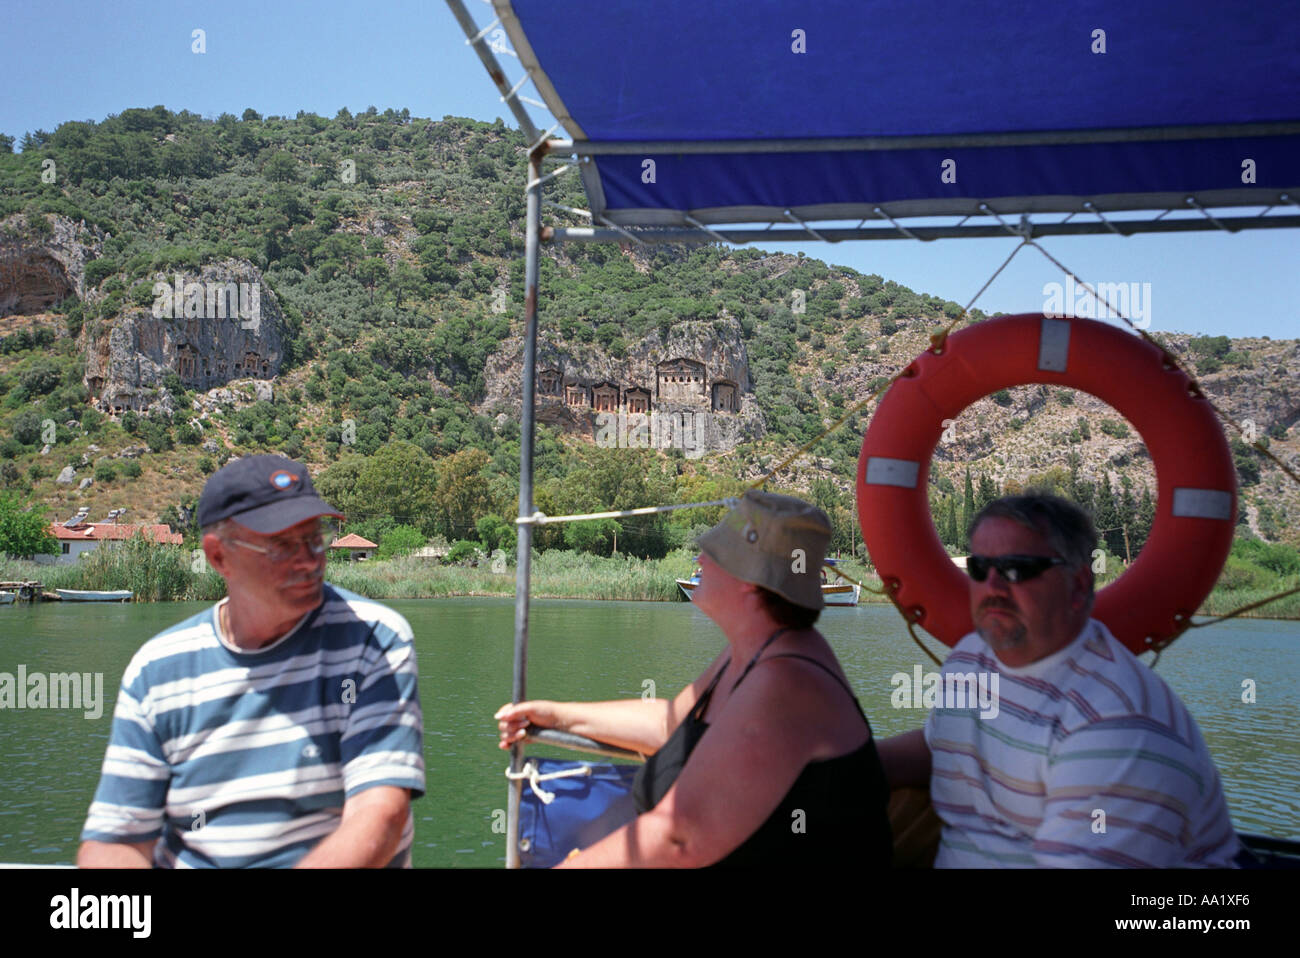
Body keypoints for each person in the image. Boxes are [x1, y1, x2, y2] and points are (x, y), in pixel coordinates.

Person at [495, 489, 893, 867]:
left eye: (716, 552)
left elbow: (678, 836)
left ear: (753, 584)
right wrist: (556, 715)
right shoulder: (754, 650)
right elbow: (671, 723)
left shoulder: (786, 683)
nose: (700, 558)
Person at [77, 455, 425, 868]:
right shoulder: (156, 671)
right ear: (218, 556)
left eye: (315, 538)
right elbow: (116, 844)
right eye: (281, 546)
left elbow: (379, 816)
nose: (310, 560)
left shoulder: (374, 640)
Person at [876, 491, 1240, 867]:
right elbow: (941, 745)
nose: (994, 588)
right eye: (980, 568)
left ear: (1079, 584)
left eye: (1018, 569)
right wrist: (842, 766)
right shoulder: (971, 658)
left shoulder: (1116, 726)